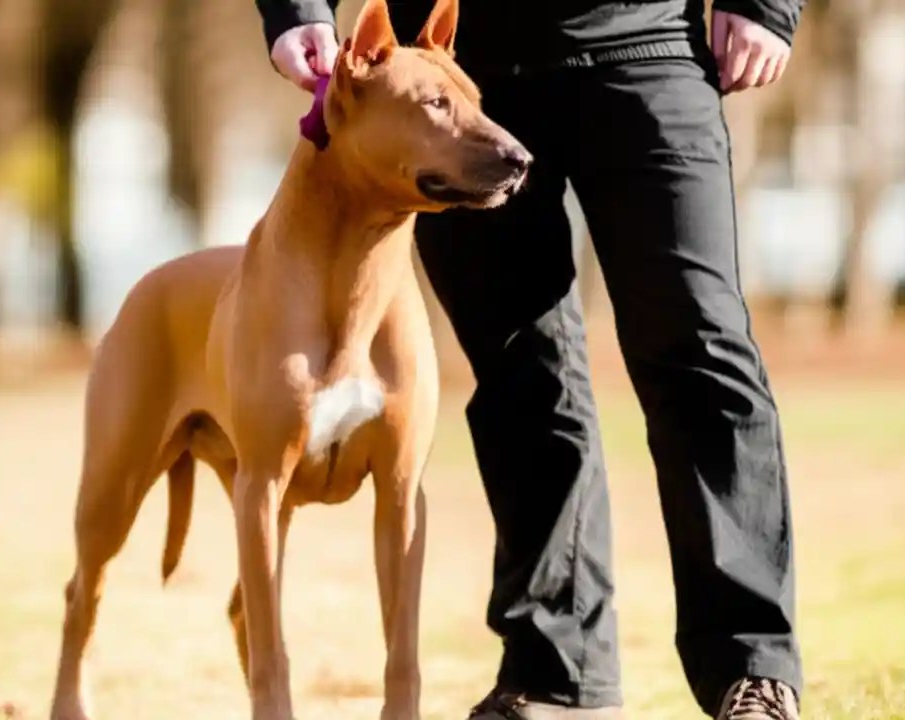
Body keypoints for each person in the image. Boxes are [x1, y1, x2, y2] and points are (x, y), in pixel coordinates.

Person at [255, 0, 805, 717]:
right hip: (457, 73)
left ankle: (752, 668)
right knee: (522, 370)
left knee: (699, 350)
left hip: (646, 42)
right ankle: (556, 676)